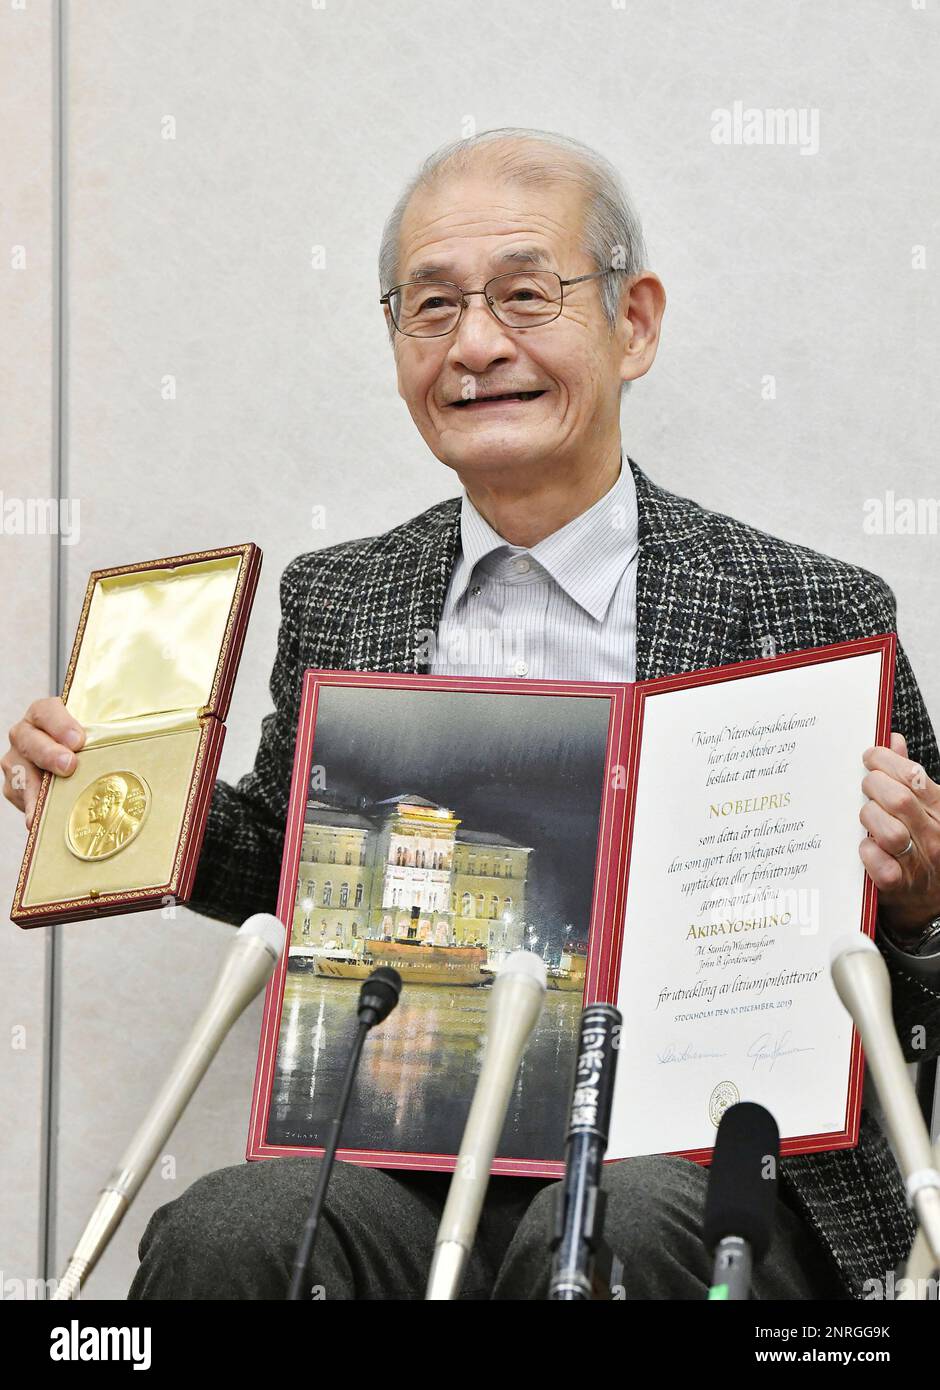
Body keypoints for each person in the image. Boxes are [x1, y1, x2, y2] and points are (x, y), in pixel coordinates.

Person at [5, 128, 940, 1301]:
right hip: (403, 1158)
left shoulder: (808, 609)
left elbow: (917, 965)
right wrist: (119, 790)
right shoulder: (341, 596)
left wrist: (918, 898)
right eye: (432, 307)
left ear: (633, 320)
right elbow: (290, 868)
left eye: (524, 295)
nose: (477, 345)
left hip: (692, 1158)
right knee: (231, 1228)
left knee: (617, 1221)